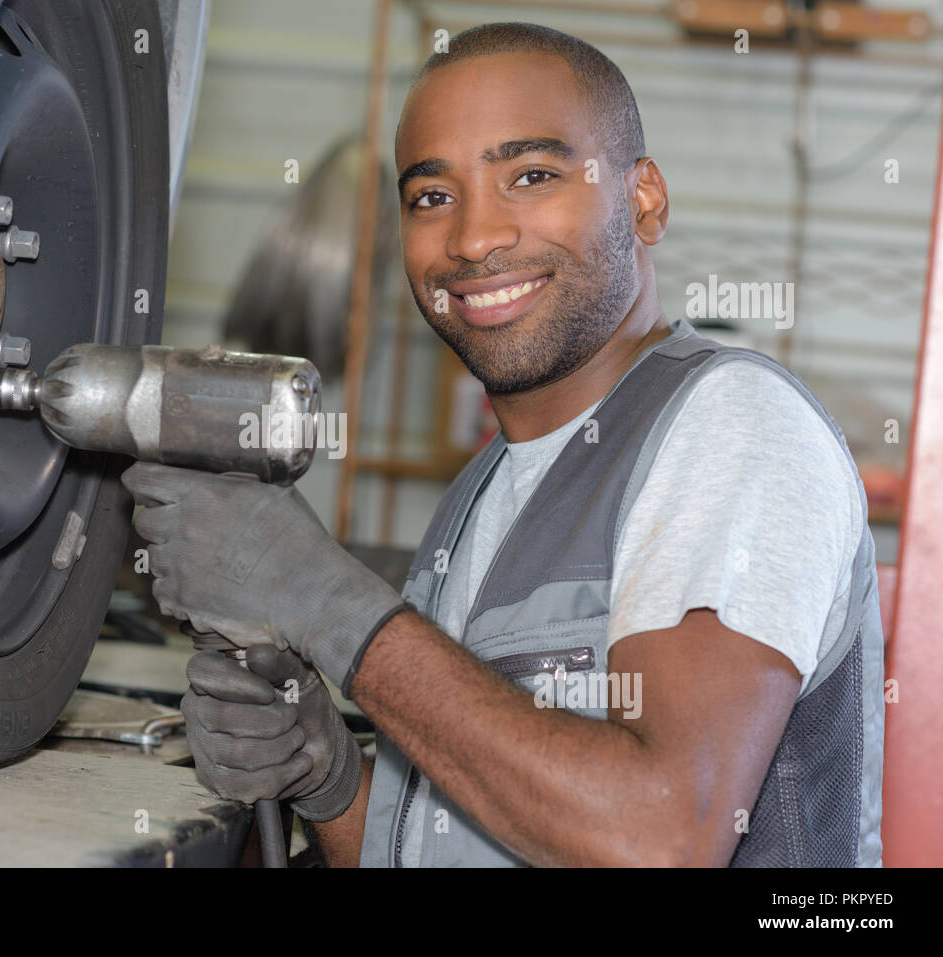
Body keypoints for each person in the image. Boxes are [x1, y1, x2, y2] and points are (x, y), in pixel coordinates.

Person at [122, 22, 884, 867]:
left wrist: (333, 606)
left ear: (645, 201)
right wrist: (332, 778)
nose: (475, 238)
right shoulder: (482, 494)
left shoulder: (731, 423)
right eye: (432, 197)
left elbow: (663, 833)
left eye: (531, 175)